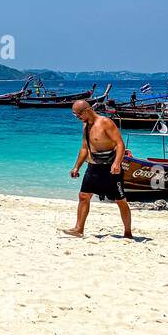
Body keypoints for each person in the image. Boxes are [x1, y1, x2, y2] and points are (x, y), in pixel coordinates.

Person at [65, 100, 133, 239]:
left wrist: (117, 163)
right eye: (75, 115)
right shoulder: (85, 126)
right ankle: (79, 229)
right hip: (93, 167)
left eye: (78, 114)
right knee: (84, 196)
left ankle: (128, 232)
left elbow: (120, 144)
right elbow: (85, 148)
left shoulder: (105, 122)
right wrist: (76, 166)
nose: (77, 117)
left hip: (110, 169)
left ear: (87, 110)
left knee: (120, 201)